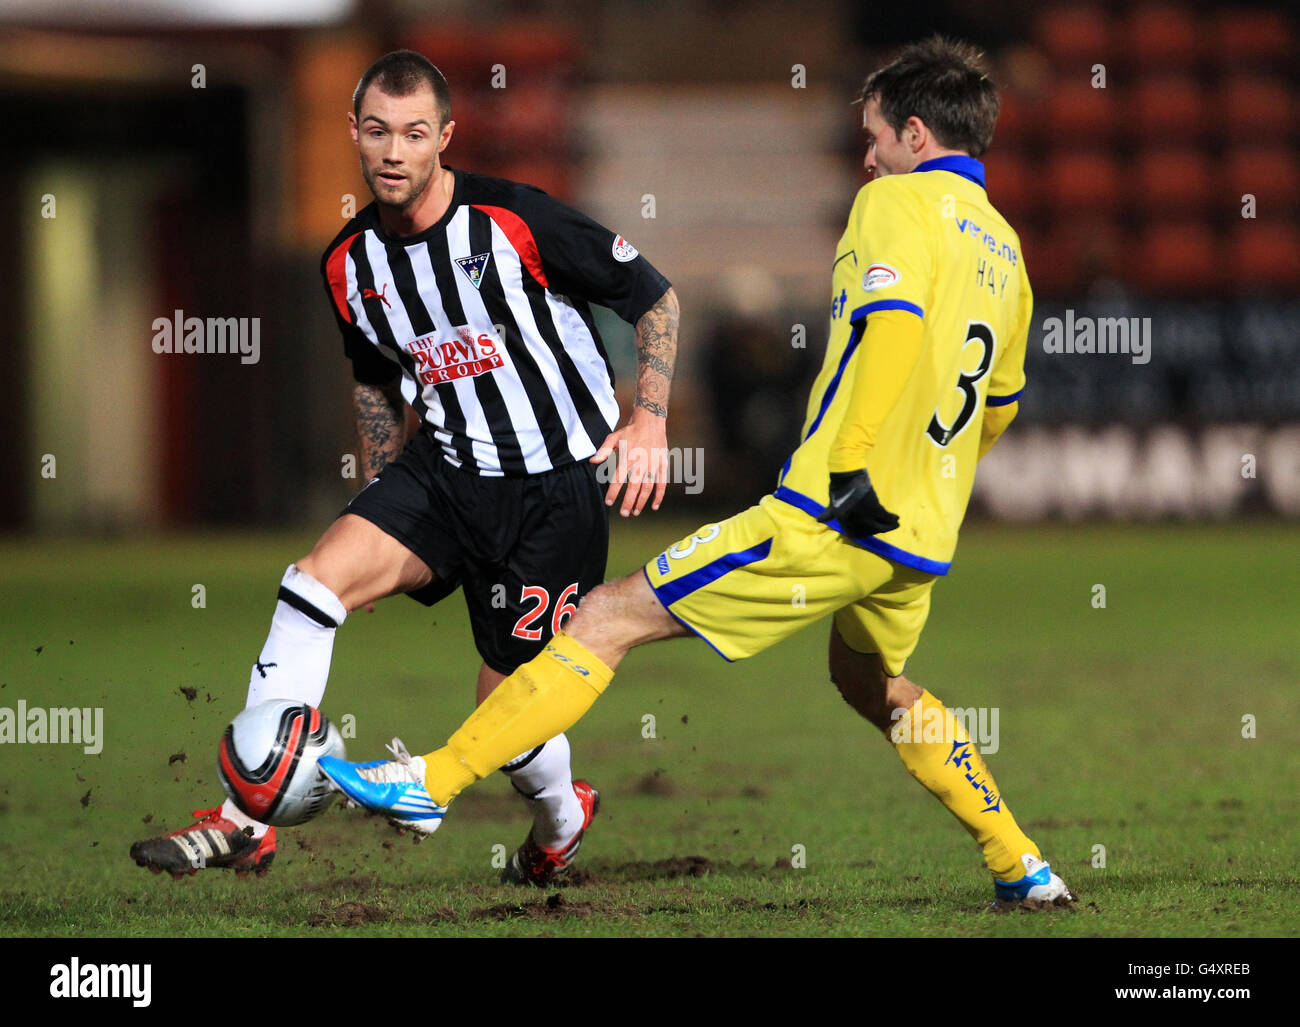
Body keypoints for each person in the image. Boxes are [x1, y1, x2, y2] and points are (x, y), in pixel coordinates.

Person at [321, 36, 1075, 908]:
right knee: (874, 683)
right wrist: (932, 485)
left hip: (834, 513)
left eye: (872, 137)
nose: (864, 157)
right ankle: (1023, 862)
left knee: (606, 614)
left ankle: (435, 779)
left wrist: (857, 467)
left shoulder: (895, 205)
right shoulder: (1007, 249)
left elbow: (895, 327)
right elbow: (1002, 406)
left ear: (914, 134)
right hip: (921, 536)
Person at [130, 49, 680, 886]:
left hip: (552, 493)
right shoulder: (346, 264)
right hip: (445, 473)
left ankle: (563, 820)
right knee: (314, 584)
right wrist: (382, 493)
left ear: (445, 138)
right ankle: (251, 815)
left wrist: (650, 420)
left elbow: (653, 295)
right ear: (354, 132)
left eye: (414, 133)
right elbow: (374, 377)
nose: (394, 151)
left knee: (508, 712)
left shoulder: (516, 220)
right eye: (378, 131)